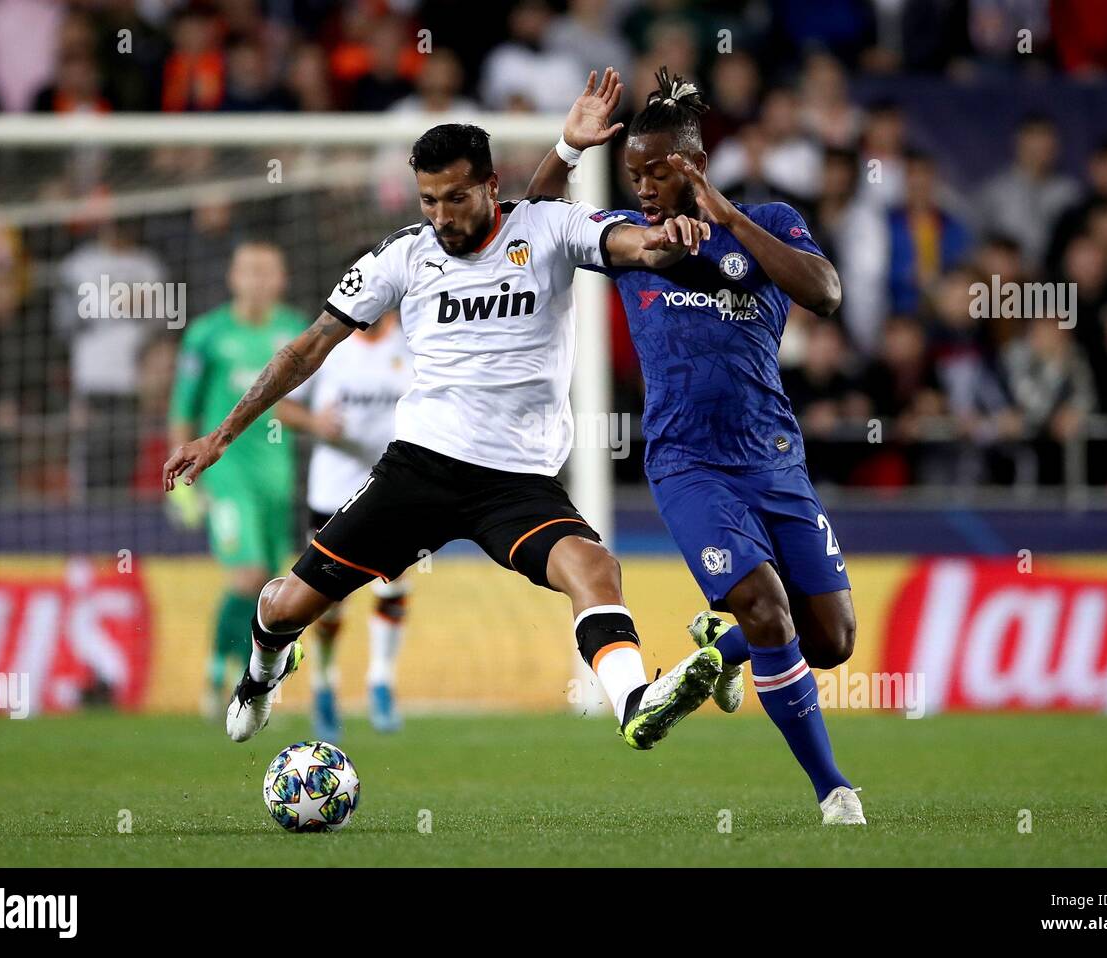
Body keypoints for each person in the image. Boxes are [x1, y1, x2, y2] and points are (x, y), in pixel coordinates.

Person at [164, 115, 722, 753]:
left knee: (595, 567)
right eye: (428, 200)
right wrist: (221, 435)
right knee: (285, 607)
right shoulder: (403, 254)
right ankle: (262, 673)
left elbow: (638, 246)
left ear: (490, 184)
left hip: (516, 483)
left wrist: (670, 235)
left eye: (456, 198)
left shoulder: (551, 227)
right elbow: (307, 348)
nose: (442, 216)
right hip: (419, 470)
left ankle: (634, 705)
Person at [527, 67, 864, 824]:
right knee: (768, 608)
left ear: (695, 165)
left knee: (833, 641)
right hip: (687, 464)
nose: (643, 186)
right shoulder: (626, 239)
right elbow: (527, 223)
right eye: (632, 173)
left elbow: (826, 294)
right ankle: (833, 789)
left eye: (657, 171)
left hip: (774, 459)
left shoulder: (772, 219)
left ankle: (722, 643)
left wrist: (728, 218)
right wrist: (566, 148)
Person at [168, 242, 309, 717]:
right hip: (226, 476)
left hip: (277, 478)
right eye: (249, 270)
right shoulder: (207, 335)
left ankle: (244, 675)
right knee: (247, 575)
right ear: (232, 277)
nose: (258, 279)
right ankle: (218, 669)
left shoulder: (293, 330)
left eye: (267, 270)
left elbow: (294, 406)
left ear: (281, 278)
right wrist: (183, 482)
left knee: (272, 590)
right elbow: (182, 410)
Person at [276, 311, 413, 737]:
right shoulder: (330, 346)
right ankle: (324, 687)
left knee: (393, 586)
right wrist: (315, 422)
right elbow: (281, 404)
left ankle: (381, 683)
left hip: (392, 486)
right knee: (328, 598)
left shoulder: (412, 342)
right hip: (333, 489)